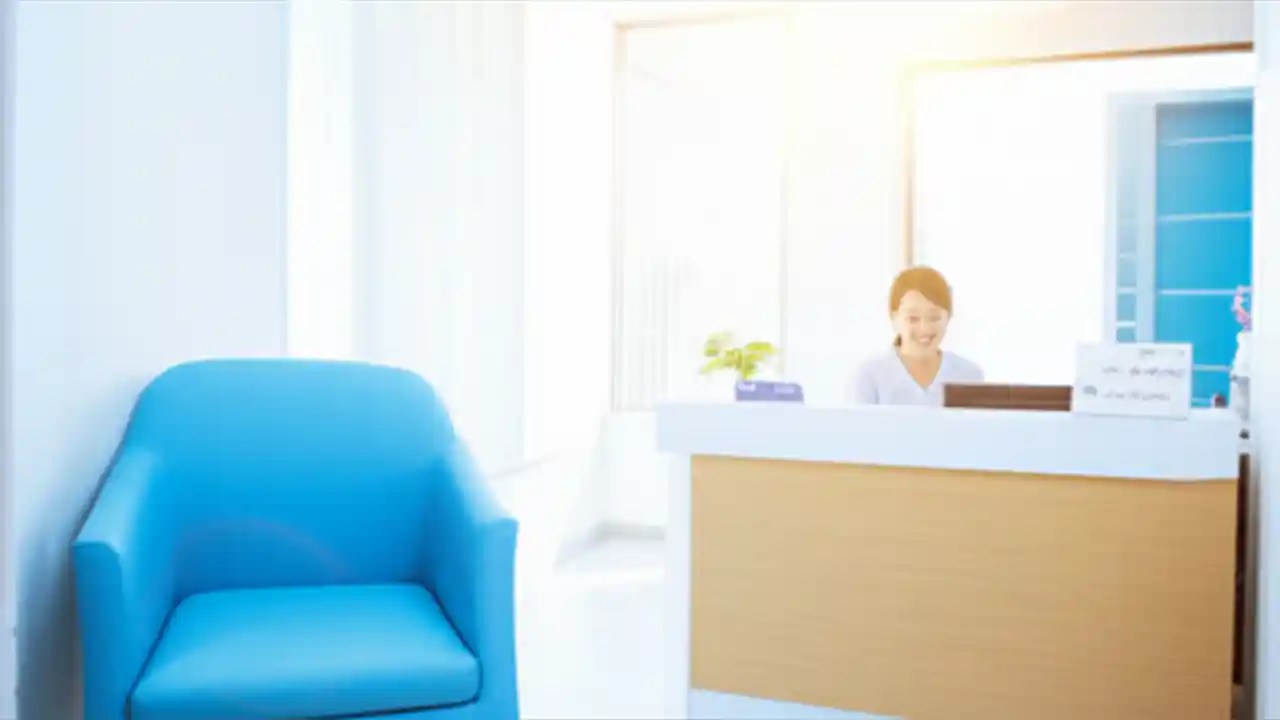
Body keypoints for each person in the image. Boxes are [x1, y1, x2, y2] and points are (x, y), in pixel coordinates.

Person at [846, 265, 983, 406]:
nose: (924, 328)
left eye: (934, 318)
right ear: (894, 318)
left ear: (948, 317)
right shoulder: (869, 376)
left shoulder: (969, 376)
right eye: (913, 319)